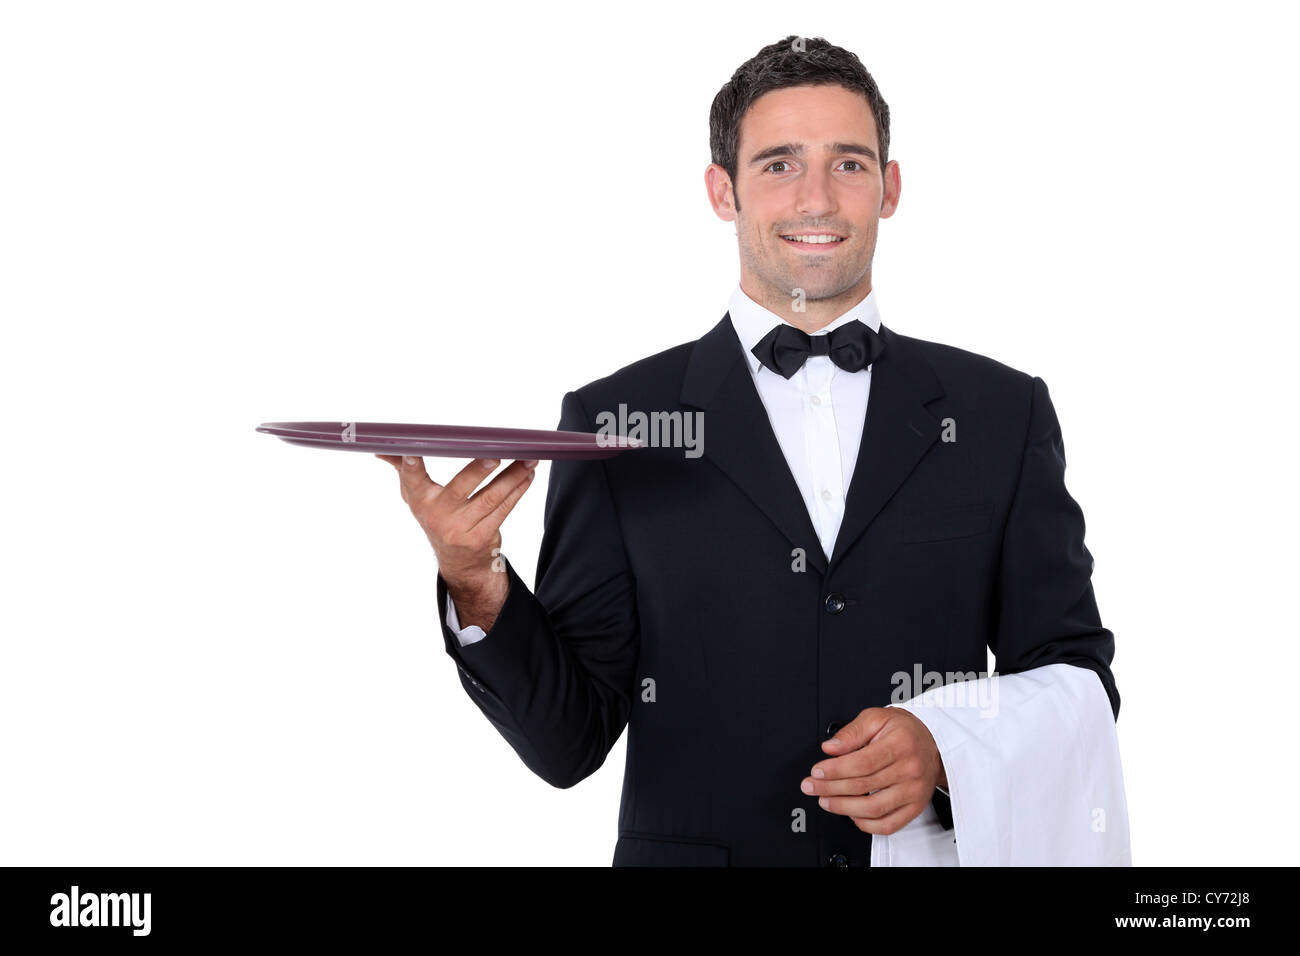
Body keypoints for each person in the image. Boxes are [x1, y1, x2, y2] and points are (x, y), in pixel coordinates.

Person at [378, 35, 1127, 866]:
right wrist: (476, 583)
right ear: (722, 190)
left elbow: (1074, 678)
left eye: (849, 164)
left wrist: (949, 744)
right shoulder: (614, 420)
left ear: (891, 188)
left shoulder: (1002, 412)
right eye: (778, 164)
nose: (817, 198)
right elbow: (569, 742)